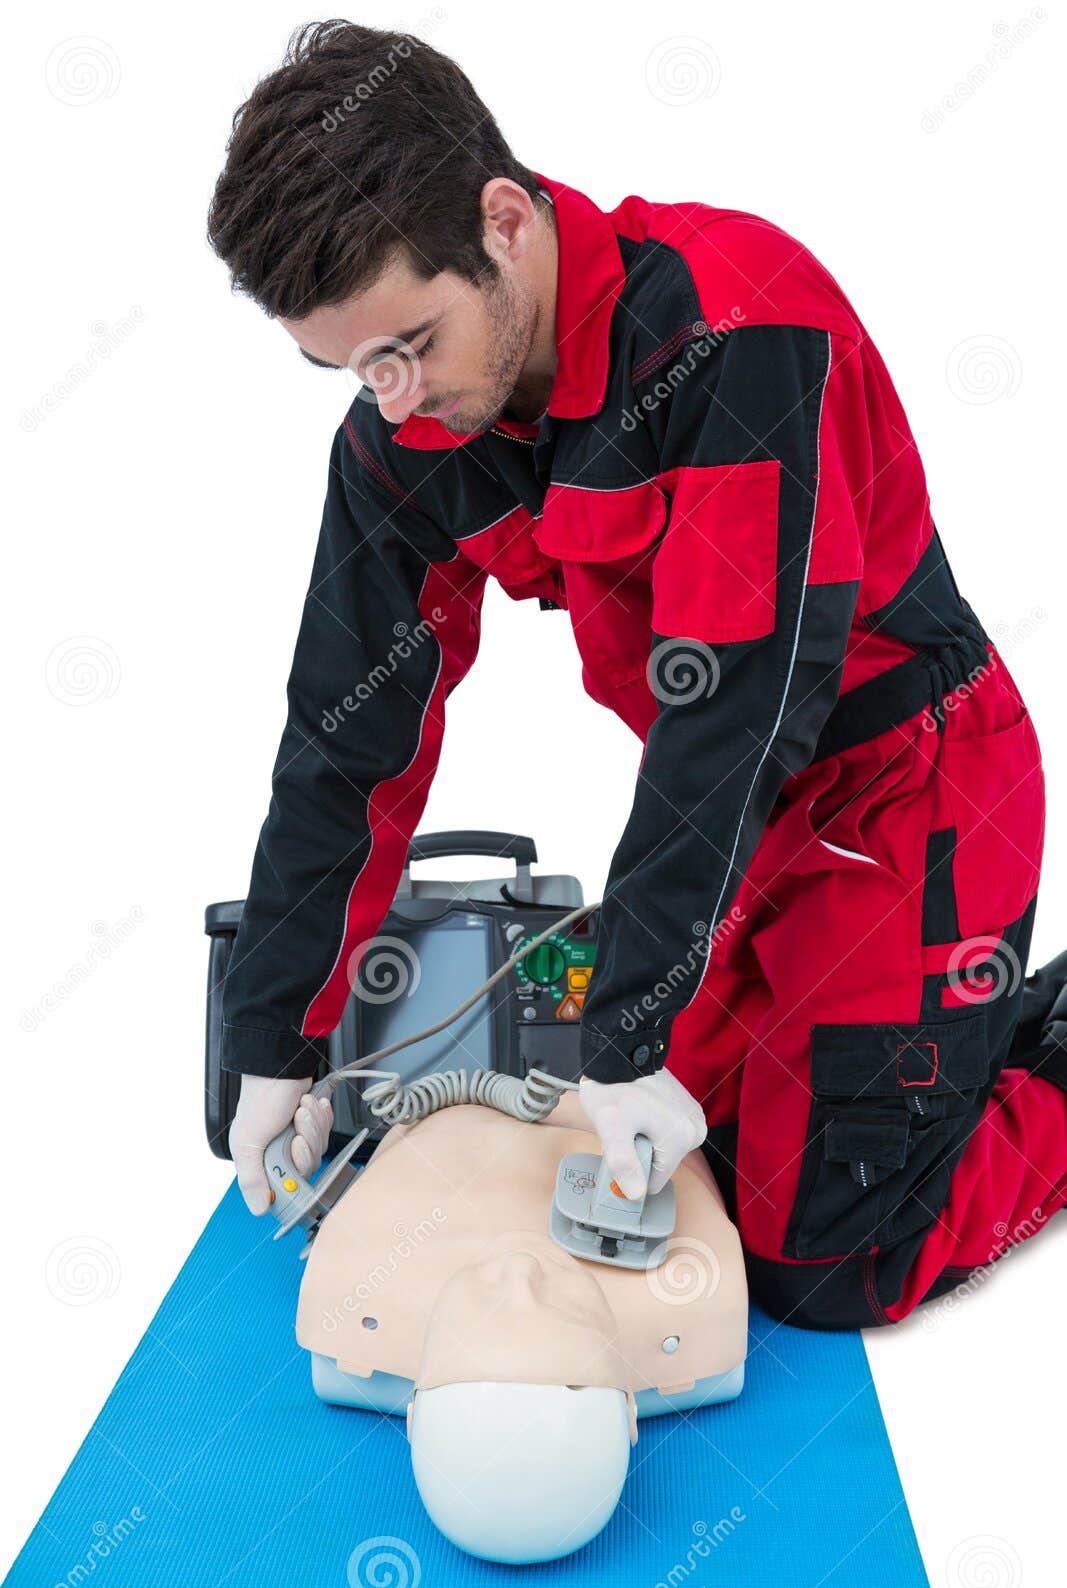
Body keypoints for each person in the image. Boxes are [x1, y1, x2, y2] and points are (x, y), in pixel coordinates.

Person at [206, 21, 1066, 1329]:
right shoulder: (413, 424)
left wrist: (625, 1034)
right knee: (696, 1143)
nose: (390, 399)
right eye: (351, 366)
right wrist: (276, 1030)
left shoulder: (735, 328)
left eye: (412, 343)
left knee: (824, 1252)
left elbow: (738, 704)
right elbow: (348, 735)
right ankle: (951, 1037)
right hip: (749, 820)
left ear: (504, 222)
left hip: (911, 788)